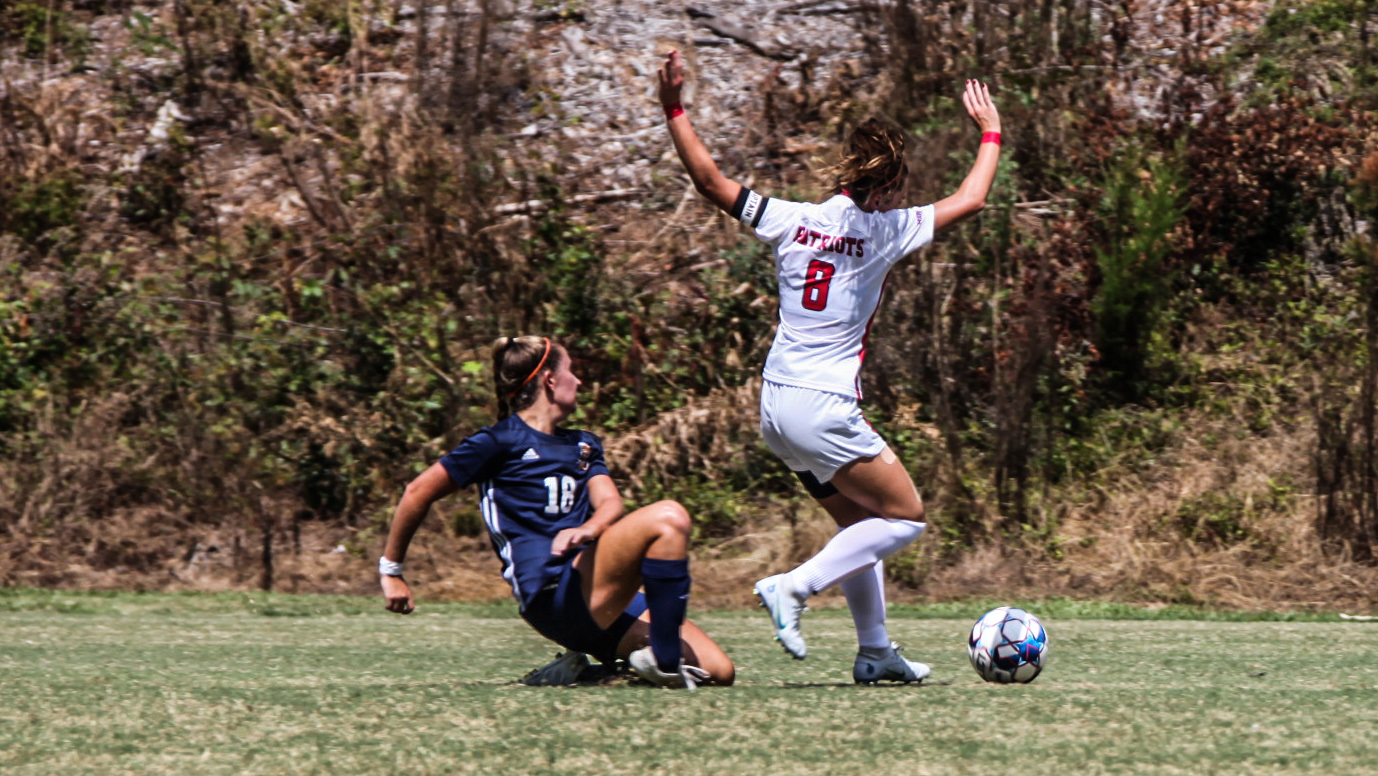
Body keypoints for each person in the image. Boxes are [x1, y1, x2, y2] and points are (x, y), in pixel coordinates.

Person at [656, 49, 1002, 683]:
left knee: (861, 529)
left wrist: (674, 106)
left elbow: (709, 181)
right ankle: (794, 587)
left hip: (776, 407)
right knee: (905, 517)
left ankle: (875, 653)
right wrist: (990, 131)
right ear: (892, 184)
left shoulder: (793, 219)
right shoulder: (889, 230)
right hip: (824, 405)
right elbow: (973, 198)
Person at [378, 335, 735, 690]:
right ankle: (666, 664)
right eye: (572, 371)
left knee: (719, 671)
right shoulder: (499, 441)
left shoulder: (583, 443)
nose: (578, 381)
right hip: (552, 596)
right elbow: (417, 492)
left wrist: (591, 528)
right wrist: (391, 571)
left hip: (595, 591)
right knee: (669, 517)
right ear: (550, 380)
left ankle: (585, 673)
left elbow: (610, 503)